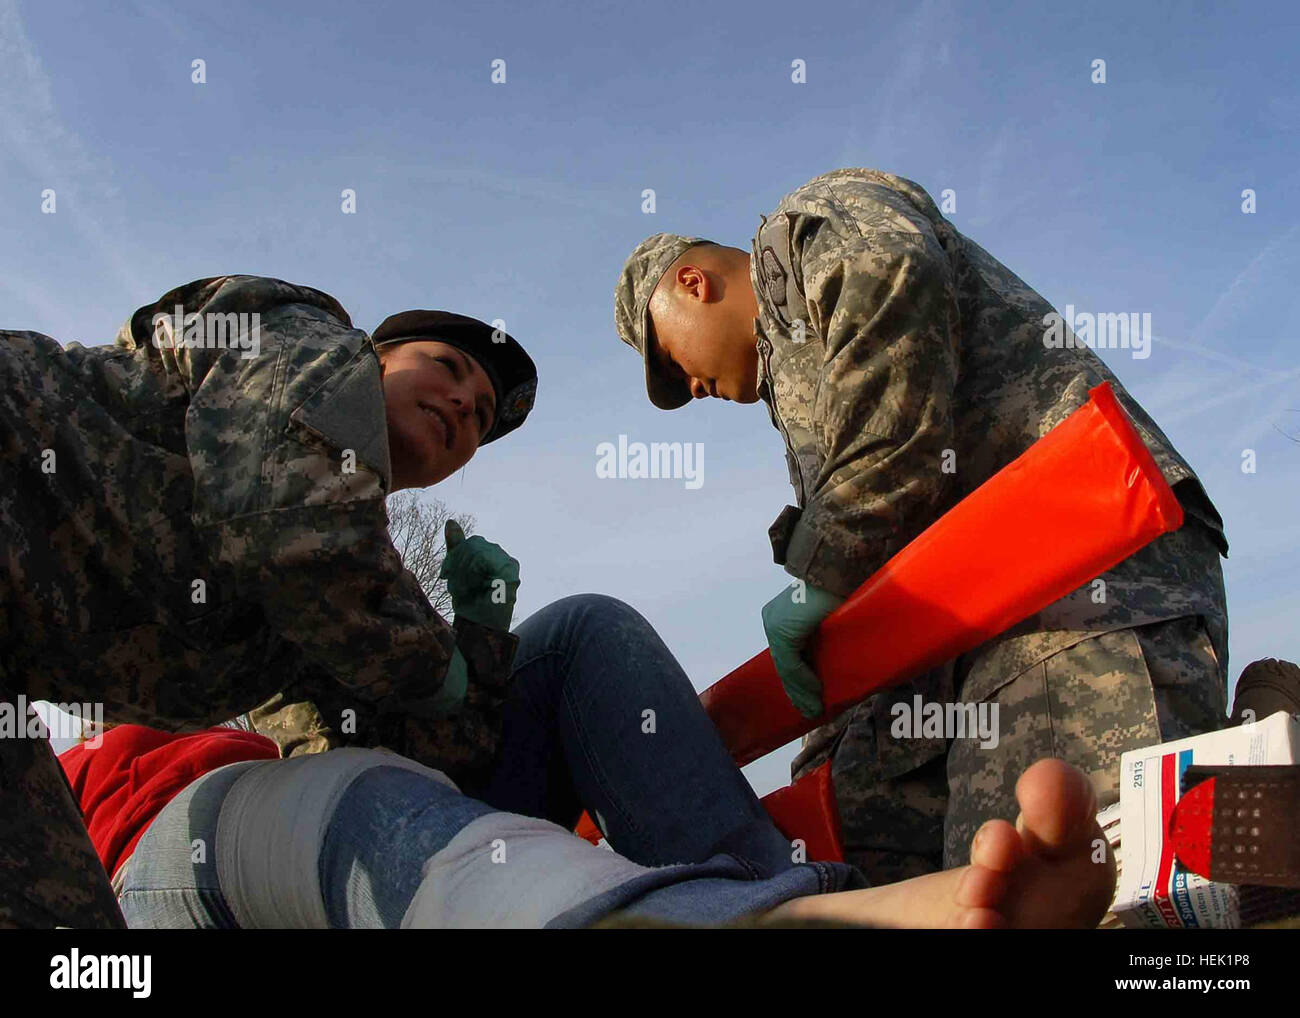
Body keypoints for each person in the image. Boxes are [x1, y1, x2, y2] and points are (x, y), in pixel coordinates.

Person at [614, 168, 1230, 883]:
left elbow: (893, 283)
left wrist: (826, 565)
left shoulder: (810, 227)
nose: (687, 387)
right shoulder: (801, 387)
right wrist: (828, 737)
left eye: (668, 360)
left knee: (1046, 887)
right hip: (965, 643)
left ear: (693, 282)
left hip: (1081, 585)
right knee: (843, 861)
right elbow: (890, 549)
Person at [0, 275, 534, 927]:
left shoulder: (335, 601)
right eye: (446, 366)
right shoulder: (303, 337)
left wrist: (478, 635)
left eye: (480, 414)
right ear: (377, 355)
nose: (461, 401)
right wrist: (432, 662)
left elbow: (387, 765)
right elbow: (284, 527)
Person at [60, 618, 1116, 929]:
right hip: (164, 853)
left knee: (576, 634)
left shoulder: (283, 663)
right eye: (457, 390)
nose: (468, 419)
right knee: (349, 803)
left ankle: (775, 901)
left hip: (368, 809)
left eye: (480, 414)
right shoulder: (81, 758)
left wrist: (461, 643)